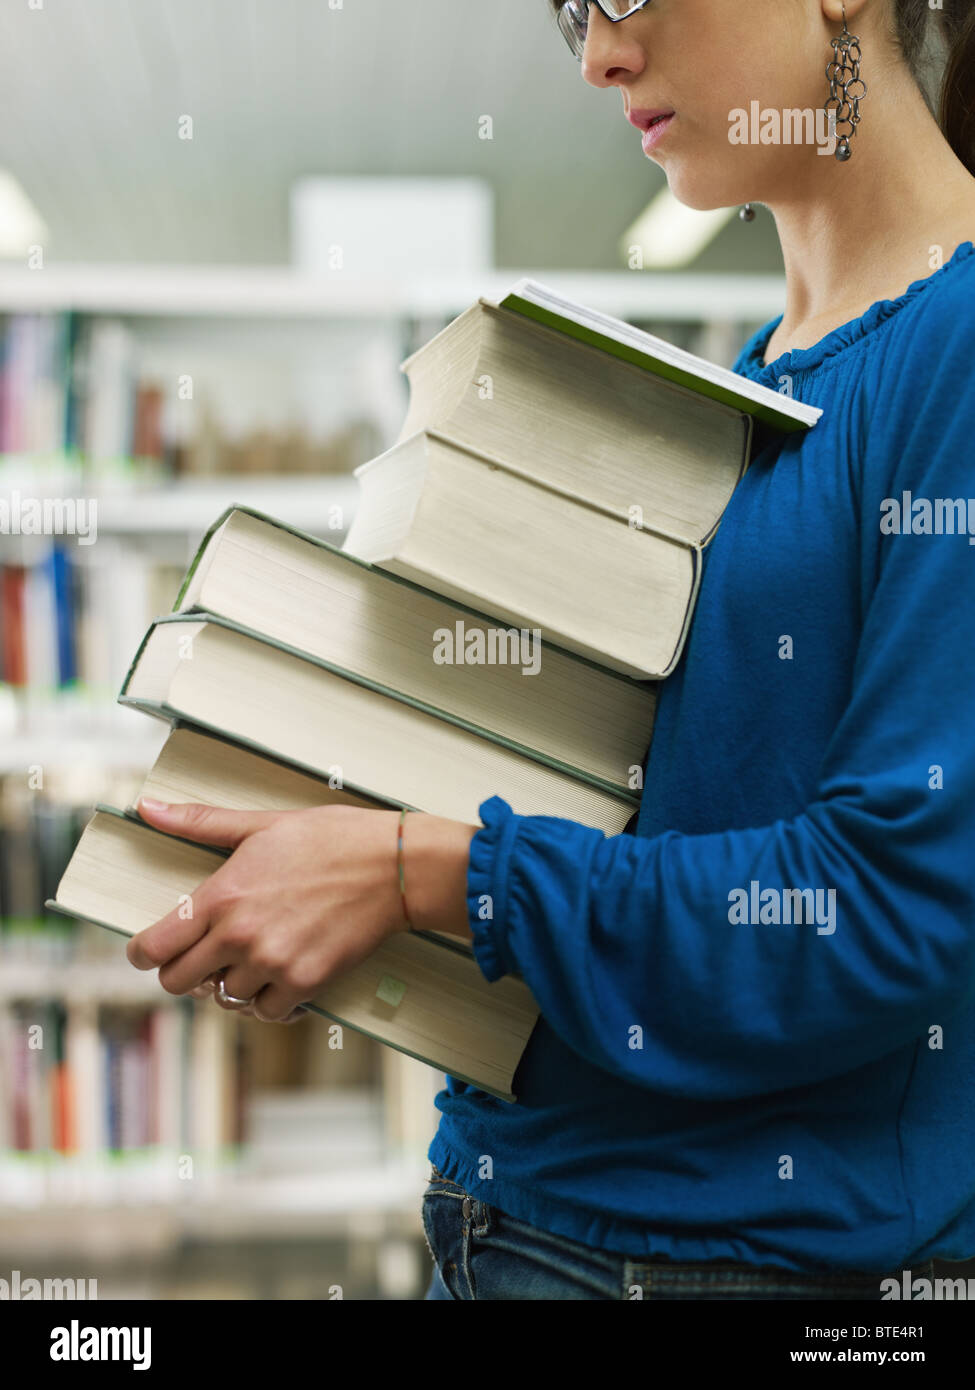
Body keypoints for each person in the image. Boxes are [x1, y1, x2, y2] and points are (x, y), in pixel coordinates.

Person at [127, 0, 975, 1300]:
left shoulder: (956, 350)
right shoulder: (766, 373)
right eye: (571, 12)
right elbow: (668, 828)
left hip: (726, 1261)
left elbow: (882, 909)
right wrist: (355, 895)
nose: (597, 56)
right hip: (517, 1212)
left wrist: (425, 870)